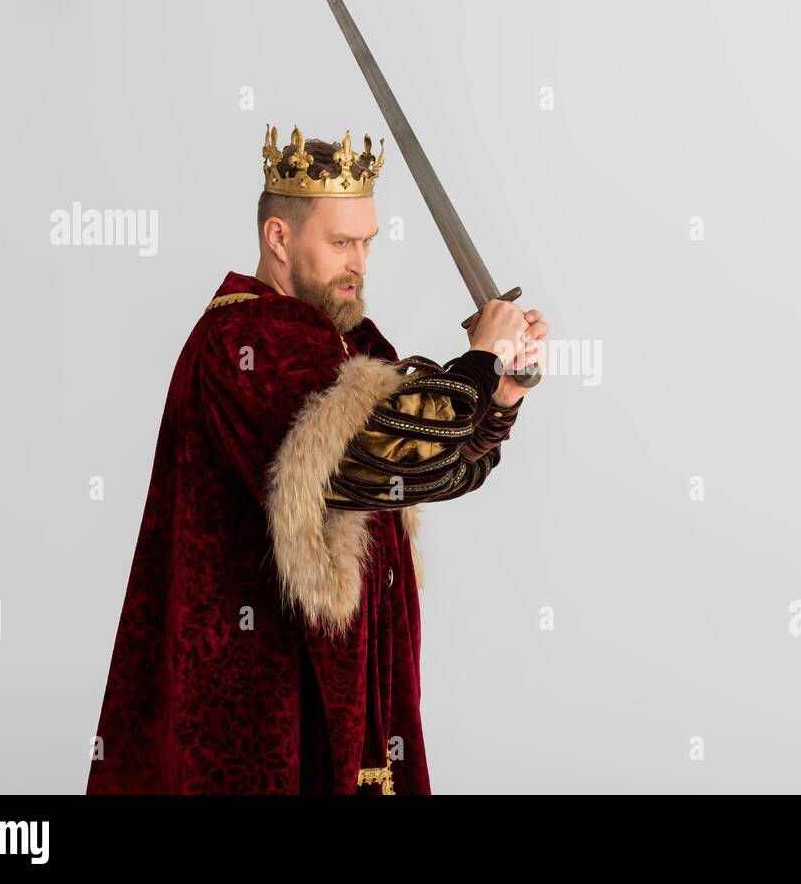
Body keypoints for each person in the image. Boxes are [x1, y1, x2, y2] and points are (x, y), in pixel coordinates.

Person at [86, 124, 548, 794]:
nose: (358, 261)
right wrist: (478, 359)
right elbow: (365, 456)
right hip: (266, 687)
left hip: (348, 684)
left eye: (366, 242)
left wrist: (499, 396)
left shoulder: (340, 339)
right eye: (340, 242)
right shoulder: (246, 338)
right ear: (279, 238)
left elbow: (417, 467)